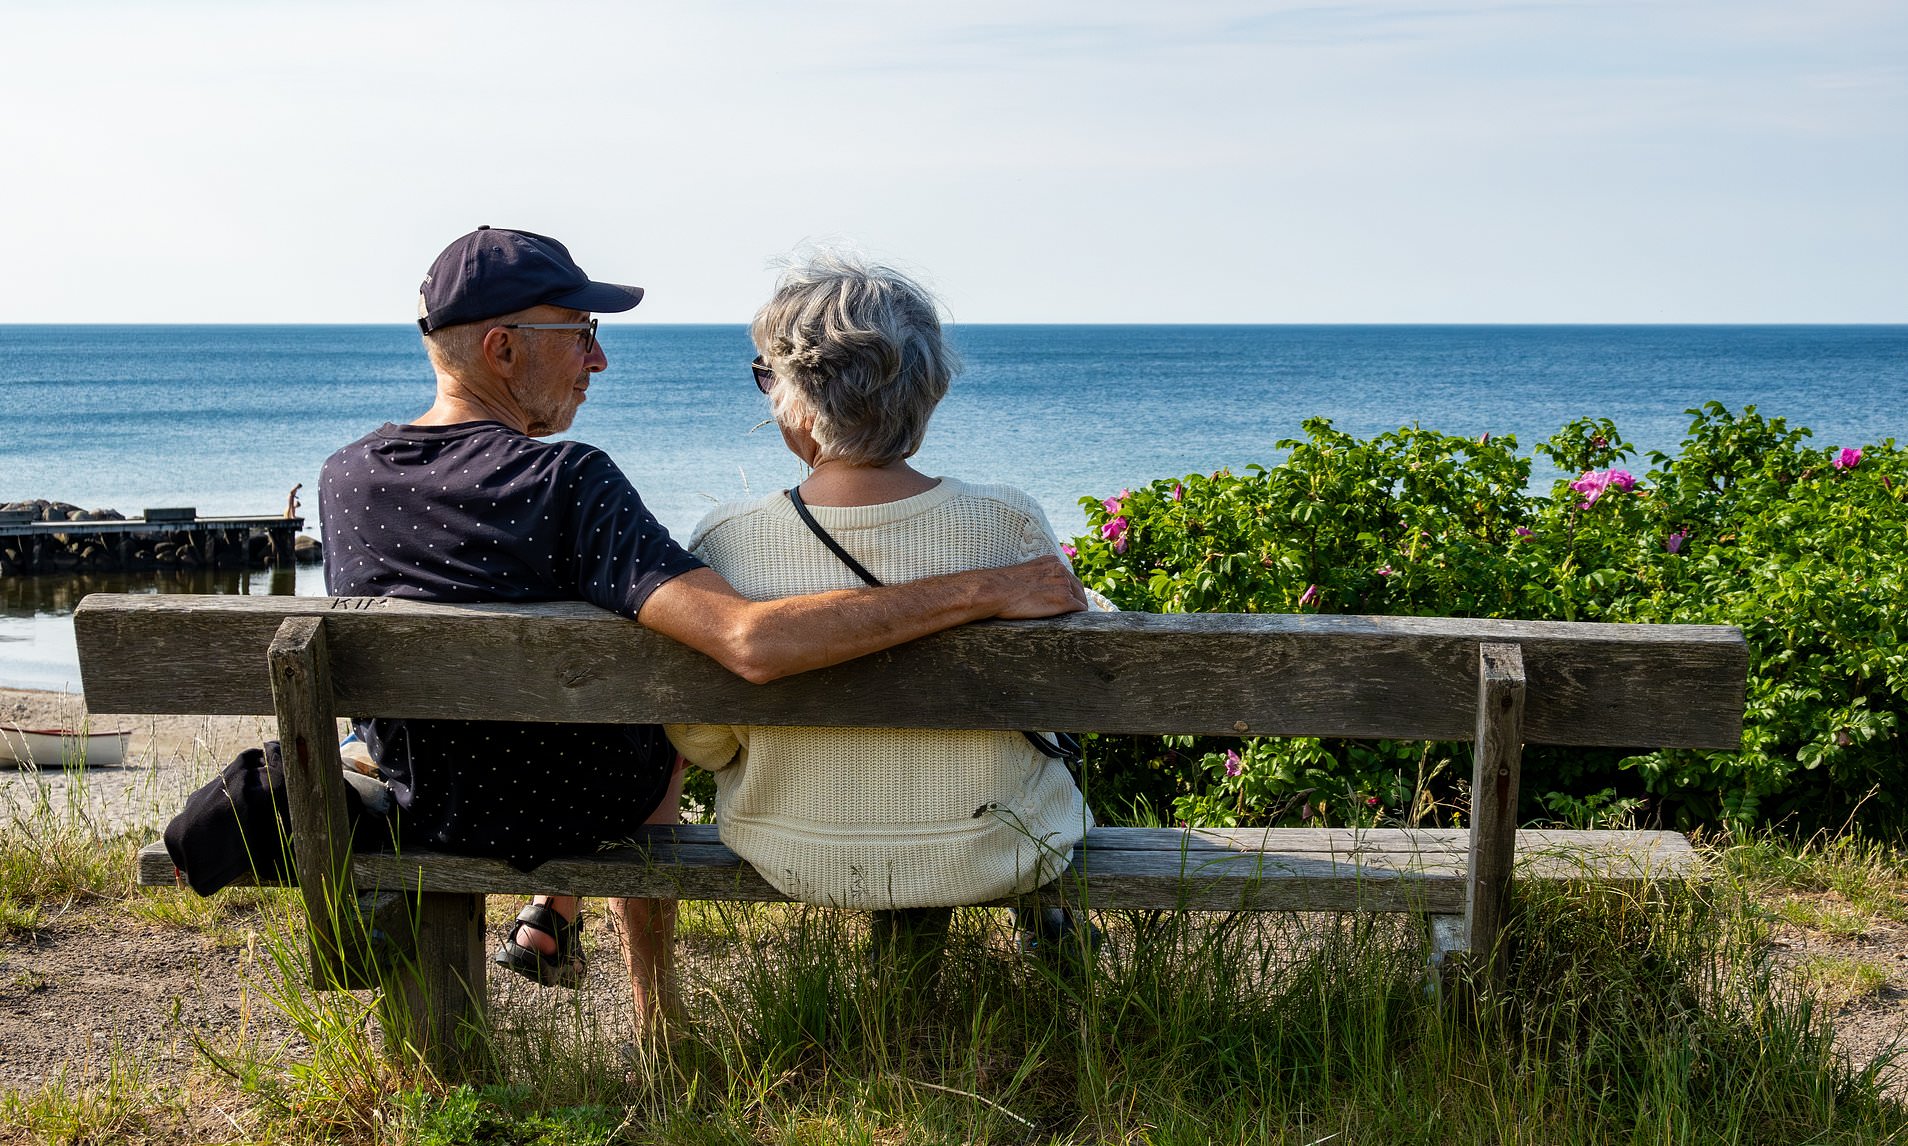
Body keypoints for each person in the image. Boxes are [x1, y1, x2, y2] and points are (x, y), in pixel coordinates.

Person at [319, 227, 1086, 1031]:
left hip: (426, 801)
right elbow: (746, 639)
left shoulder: (346, 477)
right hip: (563, 808)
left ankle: (555, 925)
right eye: (581, 334)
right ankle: (657, 1017)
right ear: (503, 349)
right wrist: (986, 587)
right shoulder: (566, 479)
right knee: (662, 693)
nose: (598, 359)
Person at [663, 251, 1100, 955]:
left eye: (764, 378)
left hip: (796, 849)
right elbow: (1066, 693)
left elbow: (704, 739)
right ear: (928, 392)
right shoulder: (1006, 525)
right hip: (990, 848)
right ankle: (1046, 926)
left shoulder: (728, 542)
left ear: (796, 400)